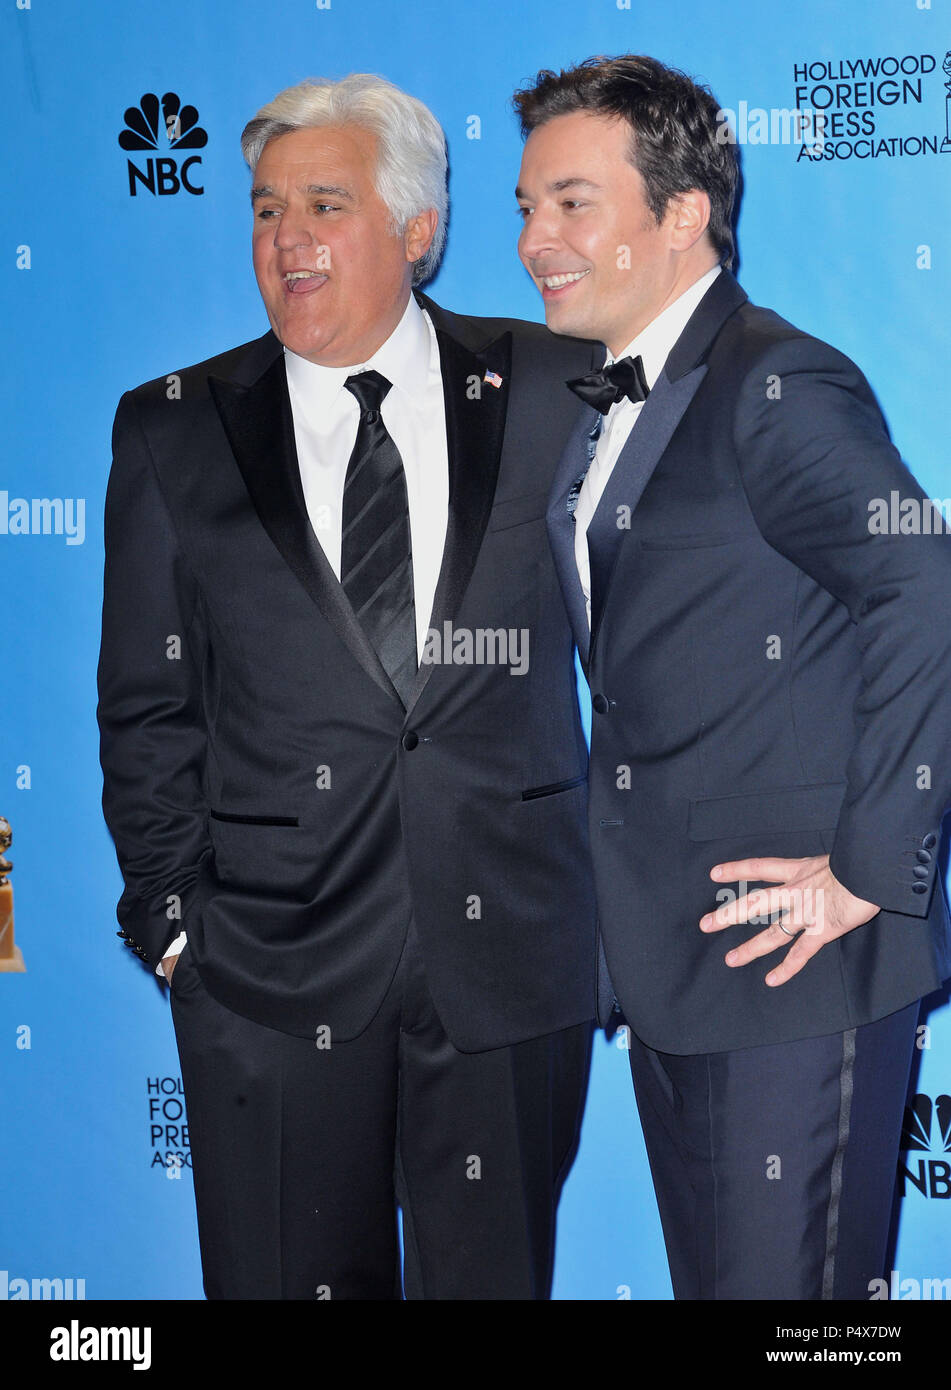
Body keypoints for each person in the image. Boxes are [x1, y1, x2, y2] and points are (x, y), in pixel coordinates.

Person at [97, 73, 601, 1300]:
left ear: (418, 229)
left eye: (325, 204)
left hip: (507, 967)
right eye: (266, 210)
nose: (287, 241)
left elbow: (648, 637)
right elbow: (146, 705)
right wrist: (178, 931)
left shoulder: (551, 384)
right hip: (266, 975)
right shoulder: (174, 427)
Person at [513, 53, 951, 1300]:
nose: (538, 238)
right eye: (528, 207)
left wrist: (873, 867)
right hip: (674, 964)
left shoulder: (774, 381)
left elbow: (930, 585)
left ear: (684, 210)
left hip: (792, 978)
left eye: (572, 202)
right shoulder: (614, 404)